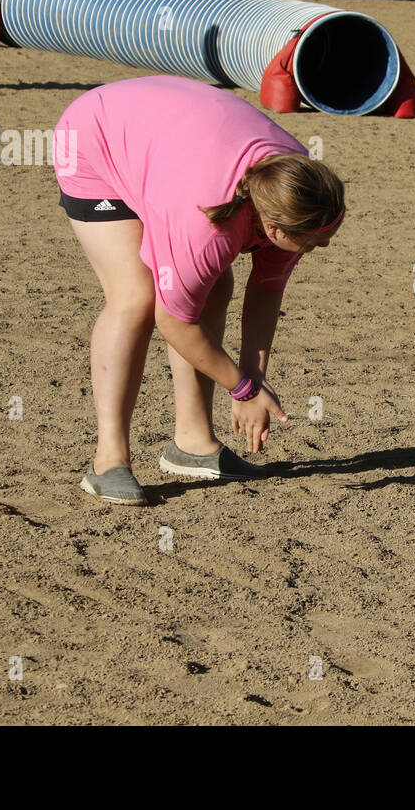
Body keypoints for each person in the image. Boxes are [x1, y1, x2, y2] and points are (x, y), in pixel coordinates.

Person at [52, 75, 345, 506]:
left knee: (212, 285)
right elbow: (175, 322)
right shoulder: (209, 223)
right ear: (273, 227)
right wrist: (241, 389)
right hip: (96, 137)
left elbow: (266, 289)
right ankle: (108, 460)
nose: (319, 249)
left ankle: (193, 443)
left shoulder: (300, 192)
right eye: (312, 242)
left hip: (165, 141)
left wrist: (253, 374)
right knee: (137, 297)